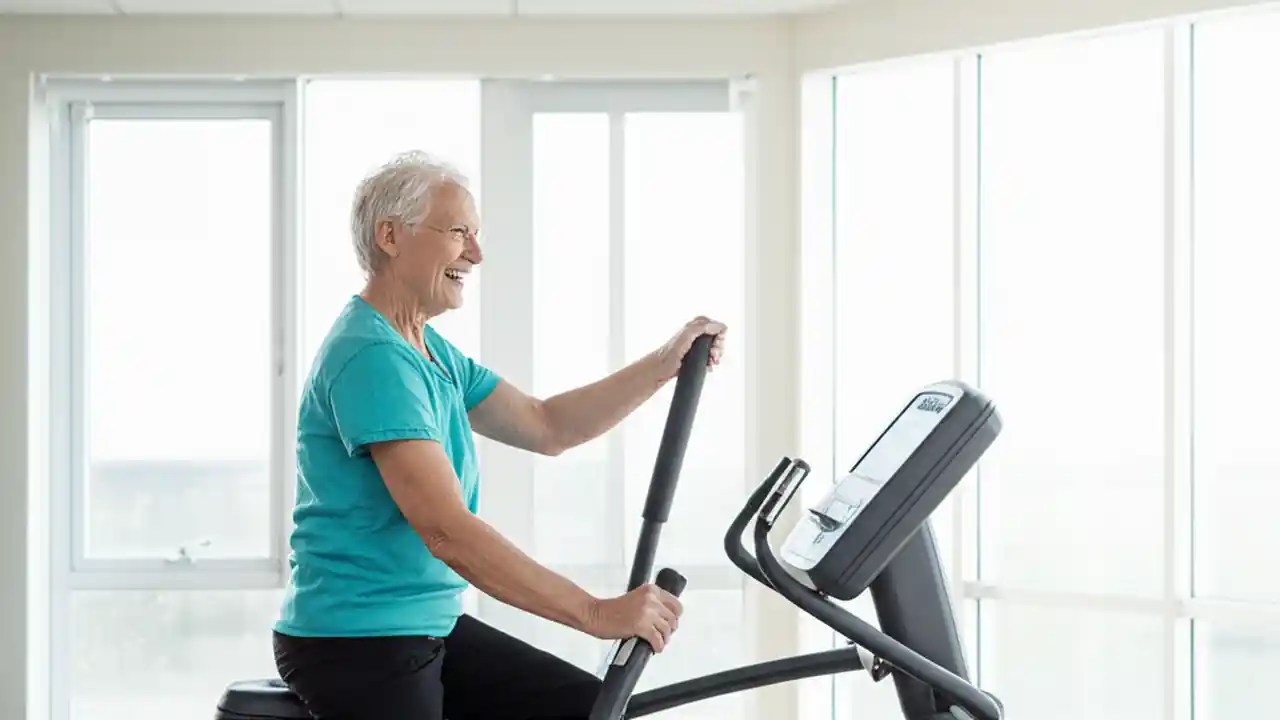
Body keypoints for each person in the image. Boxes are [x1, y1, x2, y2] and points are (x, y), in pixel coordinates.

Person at [272, 150, 728, 720]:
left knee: (592, 711)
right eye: (458, 232)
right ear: (391, 236)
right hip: (356, 641)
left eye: (476, 234)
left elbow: (547, 424)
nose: (476, 253)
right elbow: (446, 530)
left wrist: (662, 365)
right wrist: (594, 612)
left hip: (427, 625)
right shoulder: (372, 357)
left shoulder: (427, 351)